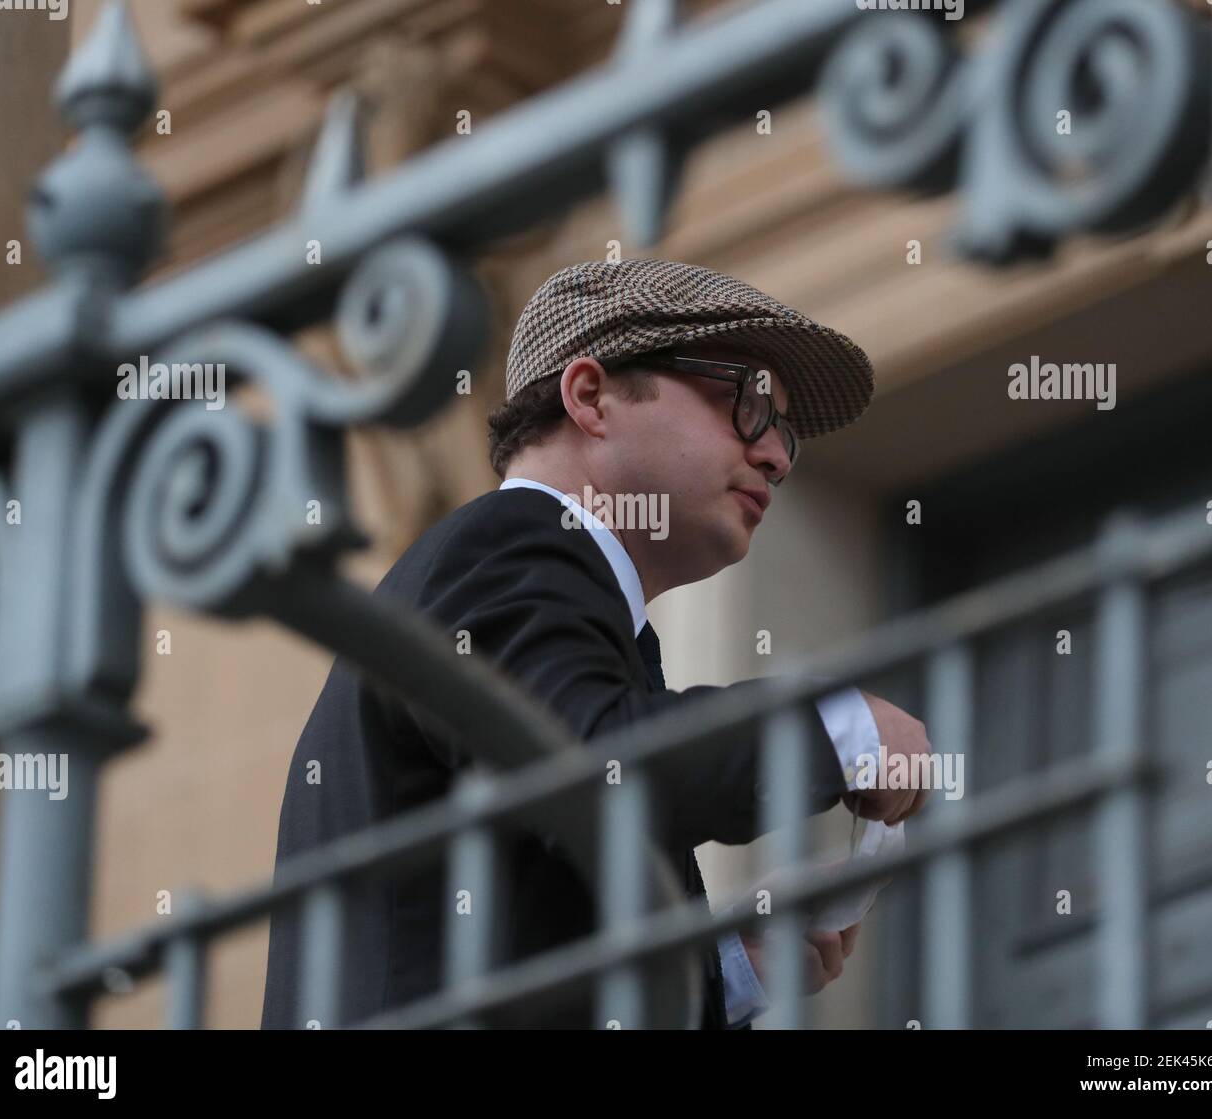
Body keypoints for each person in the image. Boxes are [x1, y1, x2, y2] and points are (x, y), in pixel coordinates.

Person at [261, 257, 931, 1030]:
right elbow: (587, 763)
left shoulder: (557, 594)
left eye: (783, 432)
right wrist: (839, 730)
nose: (776, 455)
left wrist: (728, 968)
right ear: (590, 396)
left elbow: (551, 862)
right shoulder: (504, 544)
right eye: (747, 404)